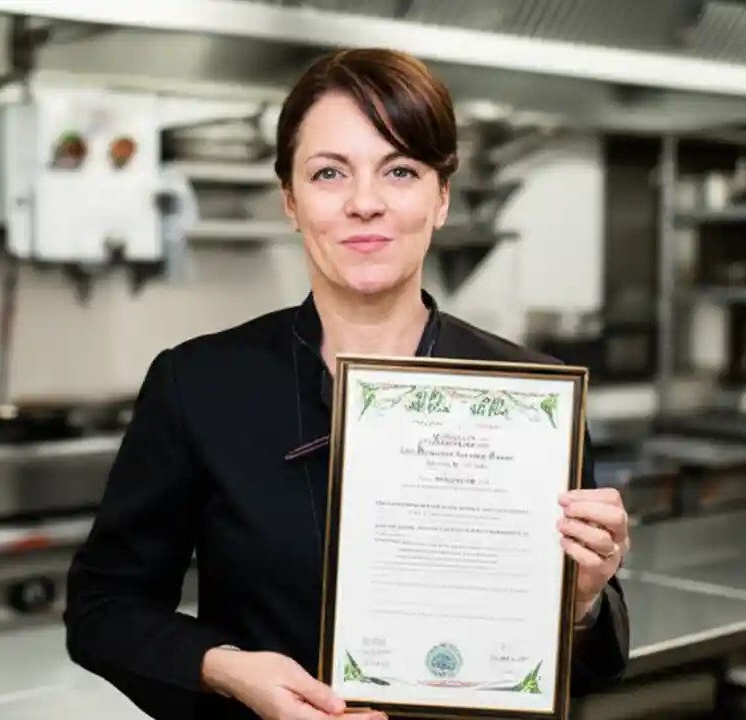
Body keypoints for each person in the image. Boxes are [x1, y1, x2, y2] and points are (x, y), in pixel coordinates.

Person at [64, 47, 631, 720]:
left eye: (400, 170)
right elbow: (104, 609)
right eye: (330, 173)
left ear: (441, 197)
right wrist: (228, 671)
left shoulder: (529, 400)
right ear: (291, 201)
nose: (365, 203)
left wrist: (582, 603)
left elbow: (590, 667)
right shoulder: (198, 385)